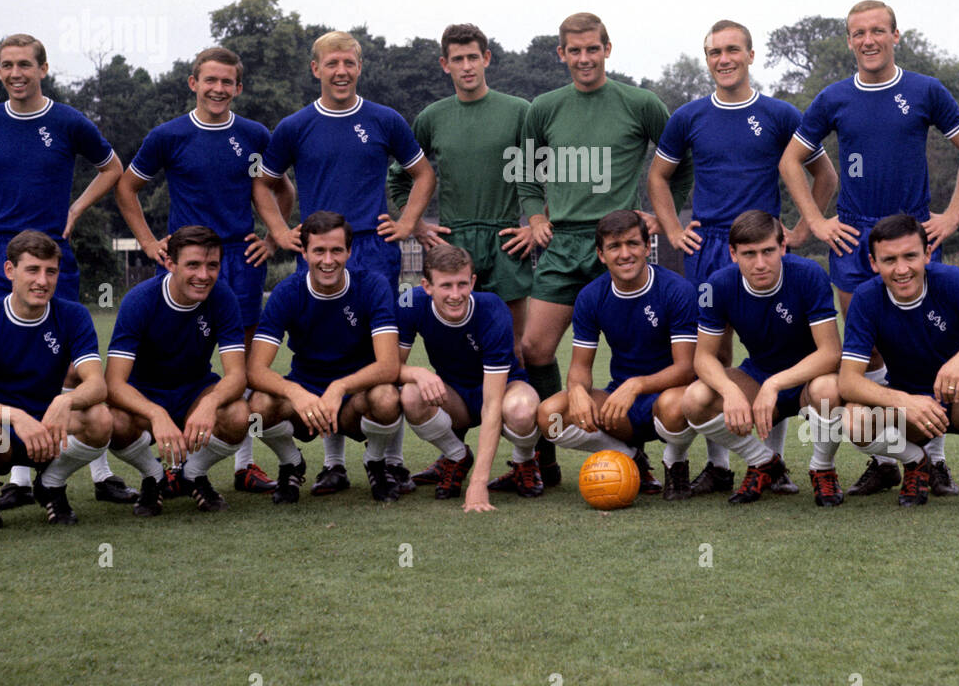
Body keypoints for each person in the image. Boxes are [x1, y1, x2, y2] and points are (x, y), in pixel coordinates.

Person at [779, 0, 959, 499]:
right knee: (864, 353)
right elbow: (790, 162)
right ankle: (889, 460)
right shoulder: (834, 98)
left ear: (895, 36)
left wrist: (952, 215)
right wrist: (818, 222)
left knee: (917, 350)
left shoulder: (925, 90)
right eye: (858, 33)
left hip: (910, 239)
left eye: (877, 31)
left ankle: (934, 460)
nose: (868, 40)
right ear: (849, 41)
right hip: (853, 240)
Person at [0, 32, 127, 507]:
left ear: (43, 68)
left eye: (24, 64)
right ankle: (19, 478)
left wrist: (75, 210)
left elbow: (112, 167)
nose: (15, 73)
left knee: (70, 362)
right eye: (6, 65)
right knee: (5, 353)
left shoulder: (67, 121)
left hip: (51, 250)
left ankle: (99, 473)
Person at [648, 19, 836, 496]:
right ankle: (722, 464)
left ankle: (774, 462)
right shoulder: (689, 116)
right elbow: (658, 177)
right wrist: (672, 229)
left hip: (762, 244)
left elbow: (824, 175)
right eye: (715, 52)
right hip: (711, 244)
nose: (724, 59)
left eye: (733, 50)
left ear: (751, 55)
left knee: (775, 346)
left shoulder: (778, 114)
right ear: (706, 59)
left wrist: (798, 228)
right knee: (713, 358)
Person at [518, 13, 691, 486]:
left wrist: (665, 214)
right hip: (563, 244)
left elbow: (679, 163)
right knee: (533, 348)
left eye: (592, 48)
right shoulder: (545, 108)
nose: (584, 58)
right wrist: (535, 216)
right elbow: (526, 175)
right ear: (561, 54)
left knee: (646, 345)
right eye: (574, 50)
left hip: (620, 243)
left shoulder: (641, 103)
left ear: (607, 49)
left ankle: (654, 447)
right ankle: (544, 459)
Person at [254, 30, 434, 485]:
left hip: (372, 248)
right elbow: (262, 181)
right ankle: (332, 465)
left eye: (349, 64)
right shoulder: (295, 126)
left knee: (377, 352)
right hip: (320, 251)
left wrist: (408, 222)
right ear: (316, 69)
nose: (341, 72)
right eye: (331, 64)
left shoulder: (384, 119)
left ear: (360, 67)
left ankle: (387, 461)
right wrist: (278, 230)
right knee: (324, 345)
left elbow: (423, 173)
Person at [115, 45, 295, 494]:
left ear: (238, 87)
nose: (218, 89)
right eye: (209, 80)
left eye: (227, 82)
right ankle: (167, 454)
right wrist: (148, 241)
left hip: (238, 257)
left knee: (247, 366)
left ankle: (244, 464)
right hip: (187, 260)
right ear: (193, 83)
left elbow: (280, 189)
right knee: (168, 355)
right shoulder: (167, 135)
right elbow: (126, 187)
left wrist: (273, 237)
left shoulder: (253, 134)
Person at [838, 215, 959, 514]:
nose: (901, 269)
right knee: (852, 418)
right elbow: (848, 382)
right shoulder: (866, 298)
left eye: (910, 256)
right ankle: (917, 461)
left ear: (927, 254)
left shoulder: (951, 281)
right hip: (913, 413)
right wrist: (903, 401)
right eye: (889, 259)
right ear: (873, 263)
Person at [0, 231, 113, 531]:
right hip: (0, 434)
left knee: (100, 419)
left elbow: (97, 384)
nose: (42, 281)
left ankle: (51, 484)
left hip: (50, 429)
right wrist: (16, 417)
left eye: (51, 271)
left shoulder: (73, 316)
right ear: (10, 271)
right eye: (32, 270)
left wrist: (66, 400)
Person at [387, 23, 533, 361]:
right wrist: (416, 224)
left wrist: (537, 225)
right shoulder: (432, 117)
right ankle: (461, 413)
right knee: (459, 348)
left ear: (486, 58)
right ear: (445, 64)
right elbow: (400, 177)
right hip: (453, 243)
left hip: (505, 241)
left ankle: (531, 413)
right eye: (457, 59)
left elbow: (553, 176)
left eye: (472, 57)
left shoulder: (519, 111)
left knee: (516, 346)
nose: (466, 66)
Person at [681, 211, 844, 505]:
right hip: (758, 373)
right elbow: (703, 358)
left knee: (828, 390)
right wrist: (730, 390)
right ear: (733, 254)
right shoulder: (718, 284)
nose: (760, 263)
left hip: (809, 378)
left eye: (768, 251)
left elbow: (831, 353)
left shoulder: (808, 274)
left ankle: (823, 469)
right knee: (695, 398)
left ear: (783, 247)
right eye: (749, 253)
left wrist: (774, 385)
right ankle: (764, 462)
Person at [246, 212, 404, 503]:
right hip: (305, 396)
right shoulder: (286, 293)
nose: (327, 260)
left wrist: (340, 387)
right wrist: (295, 392)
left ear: (350, 252)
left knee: (387, 397)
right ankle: (291, 462)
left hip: (354, 399)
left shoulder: (372, 285)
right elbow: (255, 370)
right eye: (319, 251)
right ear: (304, 253)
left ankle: (375, 461)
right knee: (257, 405)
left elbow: (389, 365)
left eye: (336, 250)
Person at [537, 211, 697, 495]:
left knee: (677, 403)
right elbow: (580, 367)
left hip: (669, 397)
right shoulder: (590, 296)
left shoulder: (677, 290)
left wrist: (636, 385)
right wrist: (576, 390)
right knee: (552, 415)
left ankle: (676, 462)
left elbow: (686, 368)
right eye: (614, 246)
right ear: (601, 254)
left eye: (633, 244)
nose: (625, 254)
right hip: (620, 406)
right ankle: (630, 456)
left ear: (647, 247)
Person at [104, 225, 251, 517]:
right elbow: (114, 382)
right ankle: (154, 476)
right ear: (170, 264)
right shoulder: (139, 300)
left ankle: (193, 474)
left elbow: (237, 375)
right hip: (145, 395)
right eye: (193, 265)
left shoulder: (223, 298)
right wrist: (156, 413)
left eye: (212, 266)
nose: (204, 275)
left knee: (238, 413)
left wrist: (210, 403)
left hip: (194, 391)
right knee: (112, 421)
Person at [394, 244, 540, 510]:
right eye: (446, 286)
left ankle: (524, 460)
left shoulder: (492, 309)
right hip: (455, 395)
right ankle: (457, 455)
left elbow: (492, 404)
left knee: (520, 410)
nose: (455, 294)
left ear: (473, 281)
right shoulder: (411, 302)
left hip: (503, 389)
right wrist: (417, 372)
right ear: (427, 286)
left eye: (462, 284)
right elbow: (390, 367)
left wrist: (478, 484)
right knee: (411, 393)